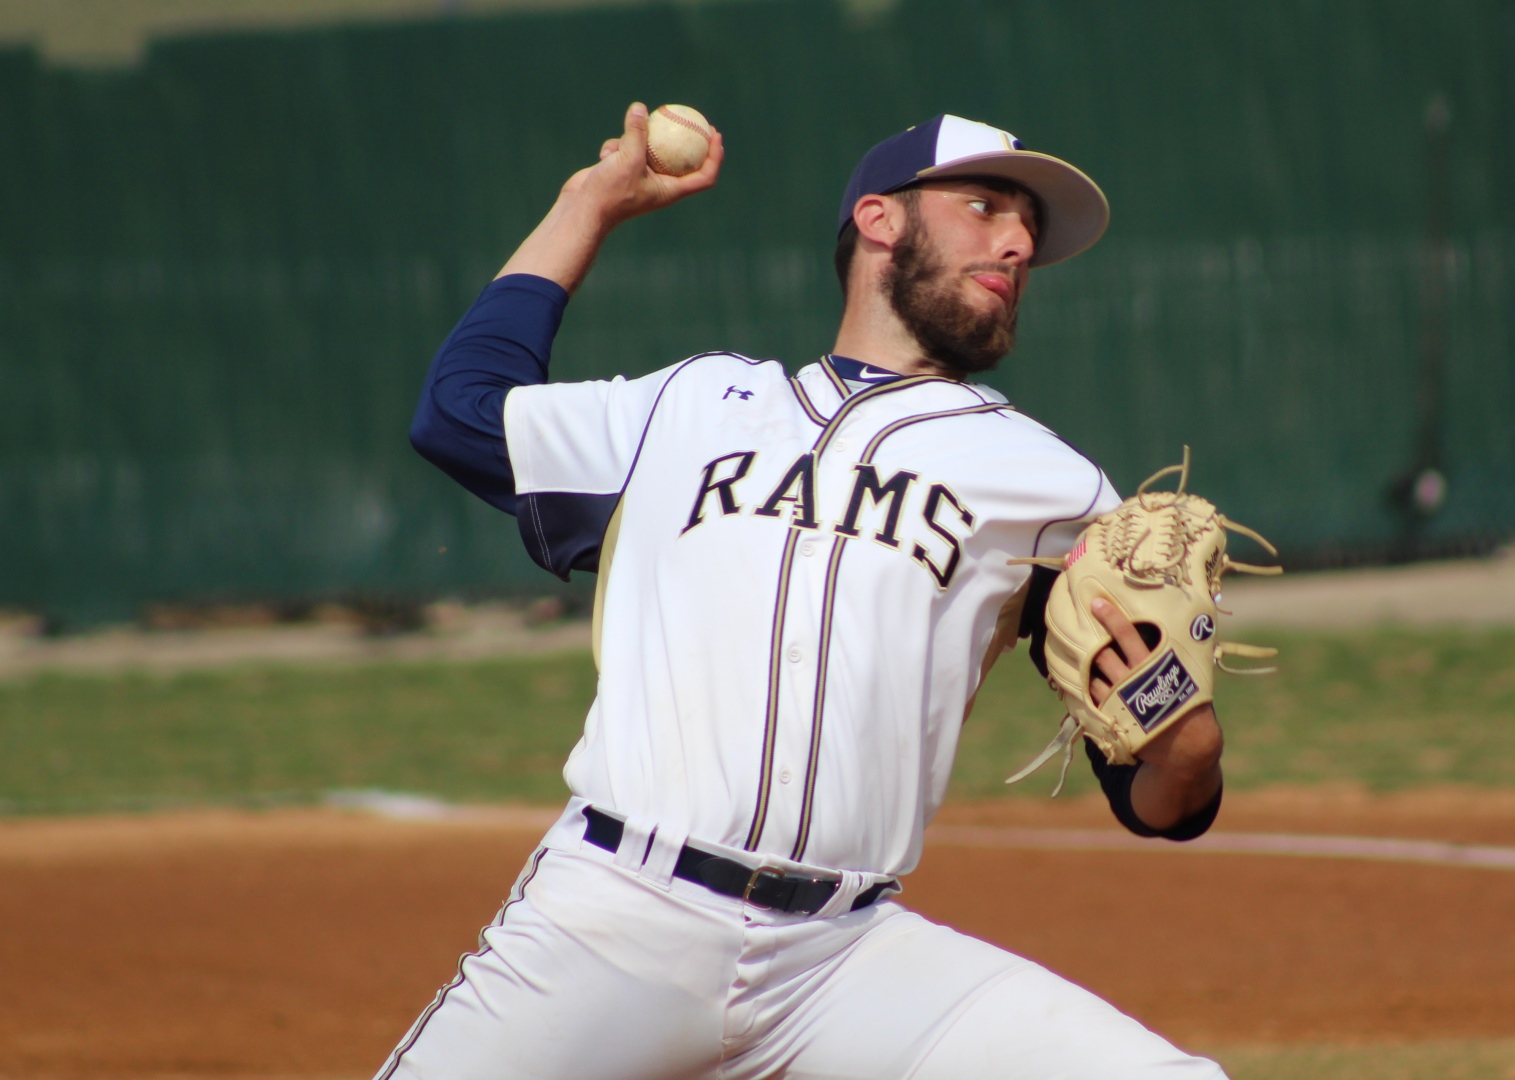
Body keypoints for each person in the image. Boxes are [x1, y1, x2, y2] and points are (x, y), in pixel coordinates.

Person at [390, 104, 1229, 1079]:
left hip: (842, 960)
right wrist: (589, 204)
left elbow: (1158, 800)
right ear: (880, 219)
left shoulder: (1052, 487)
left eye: (1029, 227)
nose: (1018, 241)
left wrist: (1189, 744)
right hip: (615, 920)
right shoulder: (690, 406)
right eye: (985, 205)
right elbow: (457, 414)